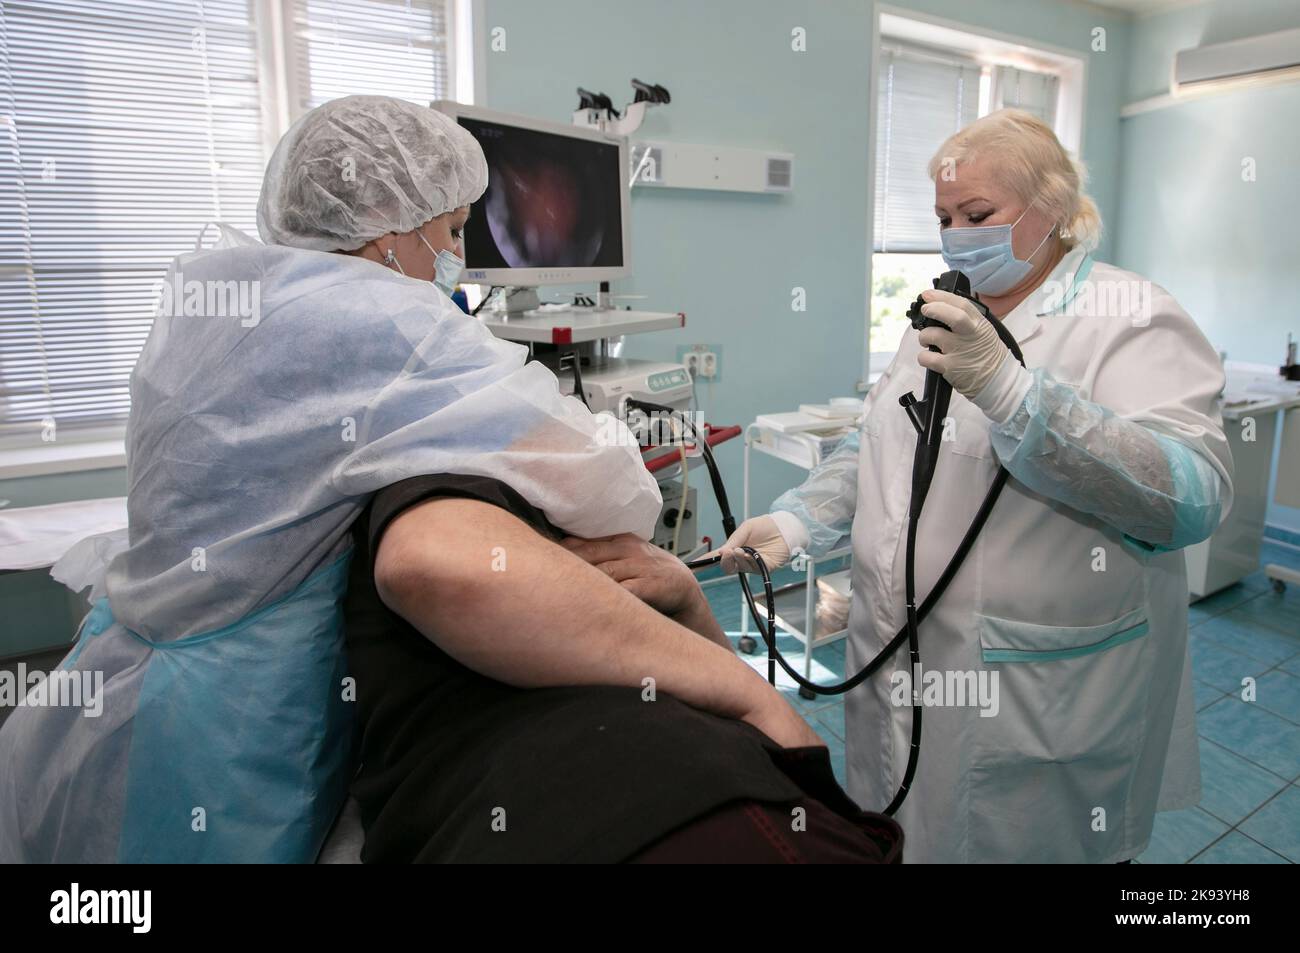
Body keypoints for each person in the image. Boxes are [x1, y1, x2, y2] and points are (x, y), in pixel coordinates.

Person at [0, 96, 900, 863]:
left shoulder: (224, 300)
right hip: (245, 715)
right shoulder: (382, 324)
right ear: (395, 225)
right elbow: (601, 484)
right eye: (455, 226)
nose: (459, 250)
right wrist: (734, 679)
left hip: (135, 686)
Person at [720, 109, 1233, 863]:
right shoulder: (942, 312)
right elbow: (884, 443)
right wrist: (798, 523)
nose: (956, 233)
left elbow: (1192, 495)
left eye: (978, 214)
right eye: (944, 216)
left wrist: (1018, 397)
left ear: (1052, 208)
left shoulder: (1129, 317)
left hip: (1042, 686)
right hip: (899, 665)